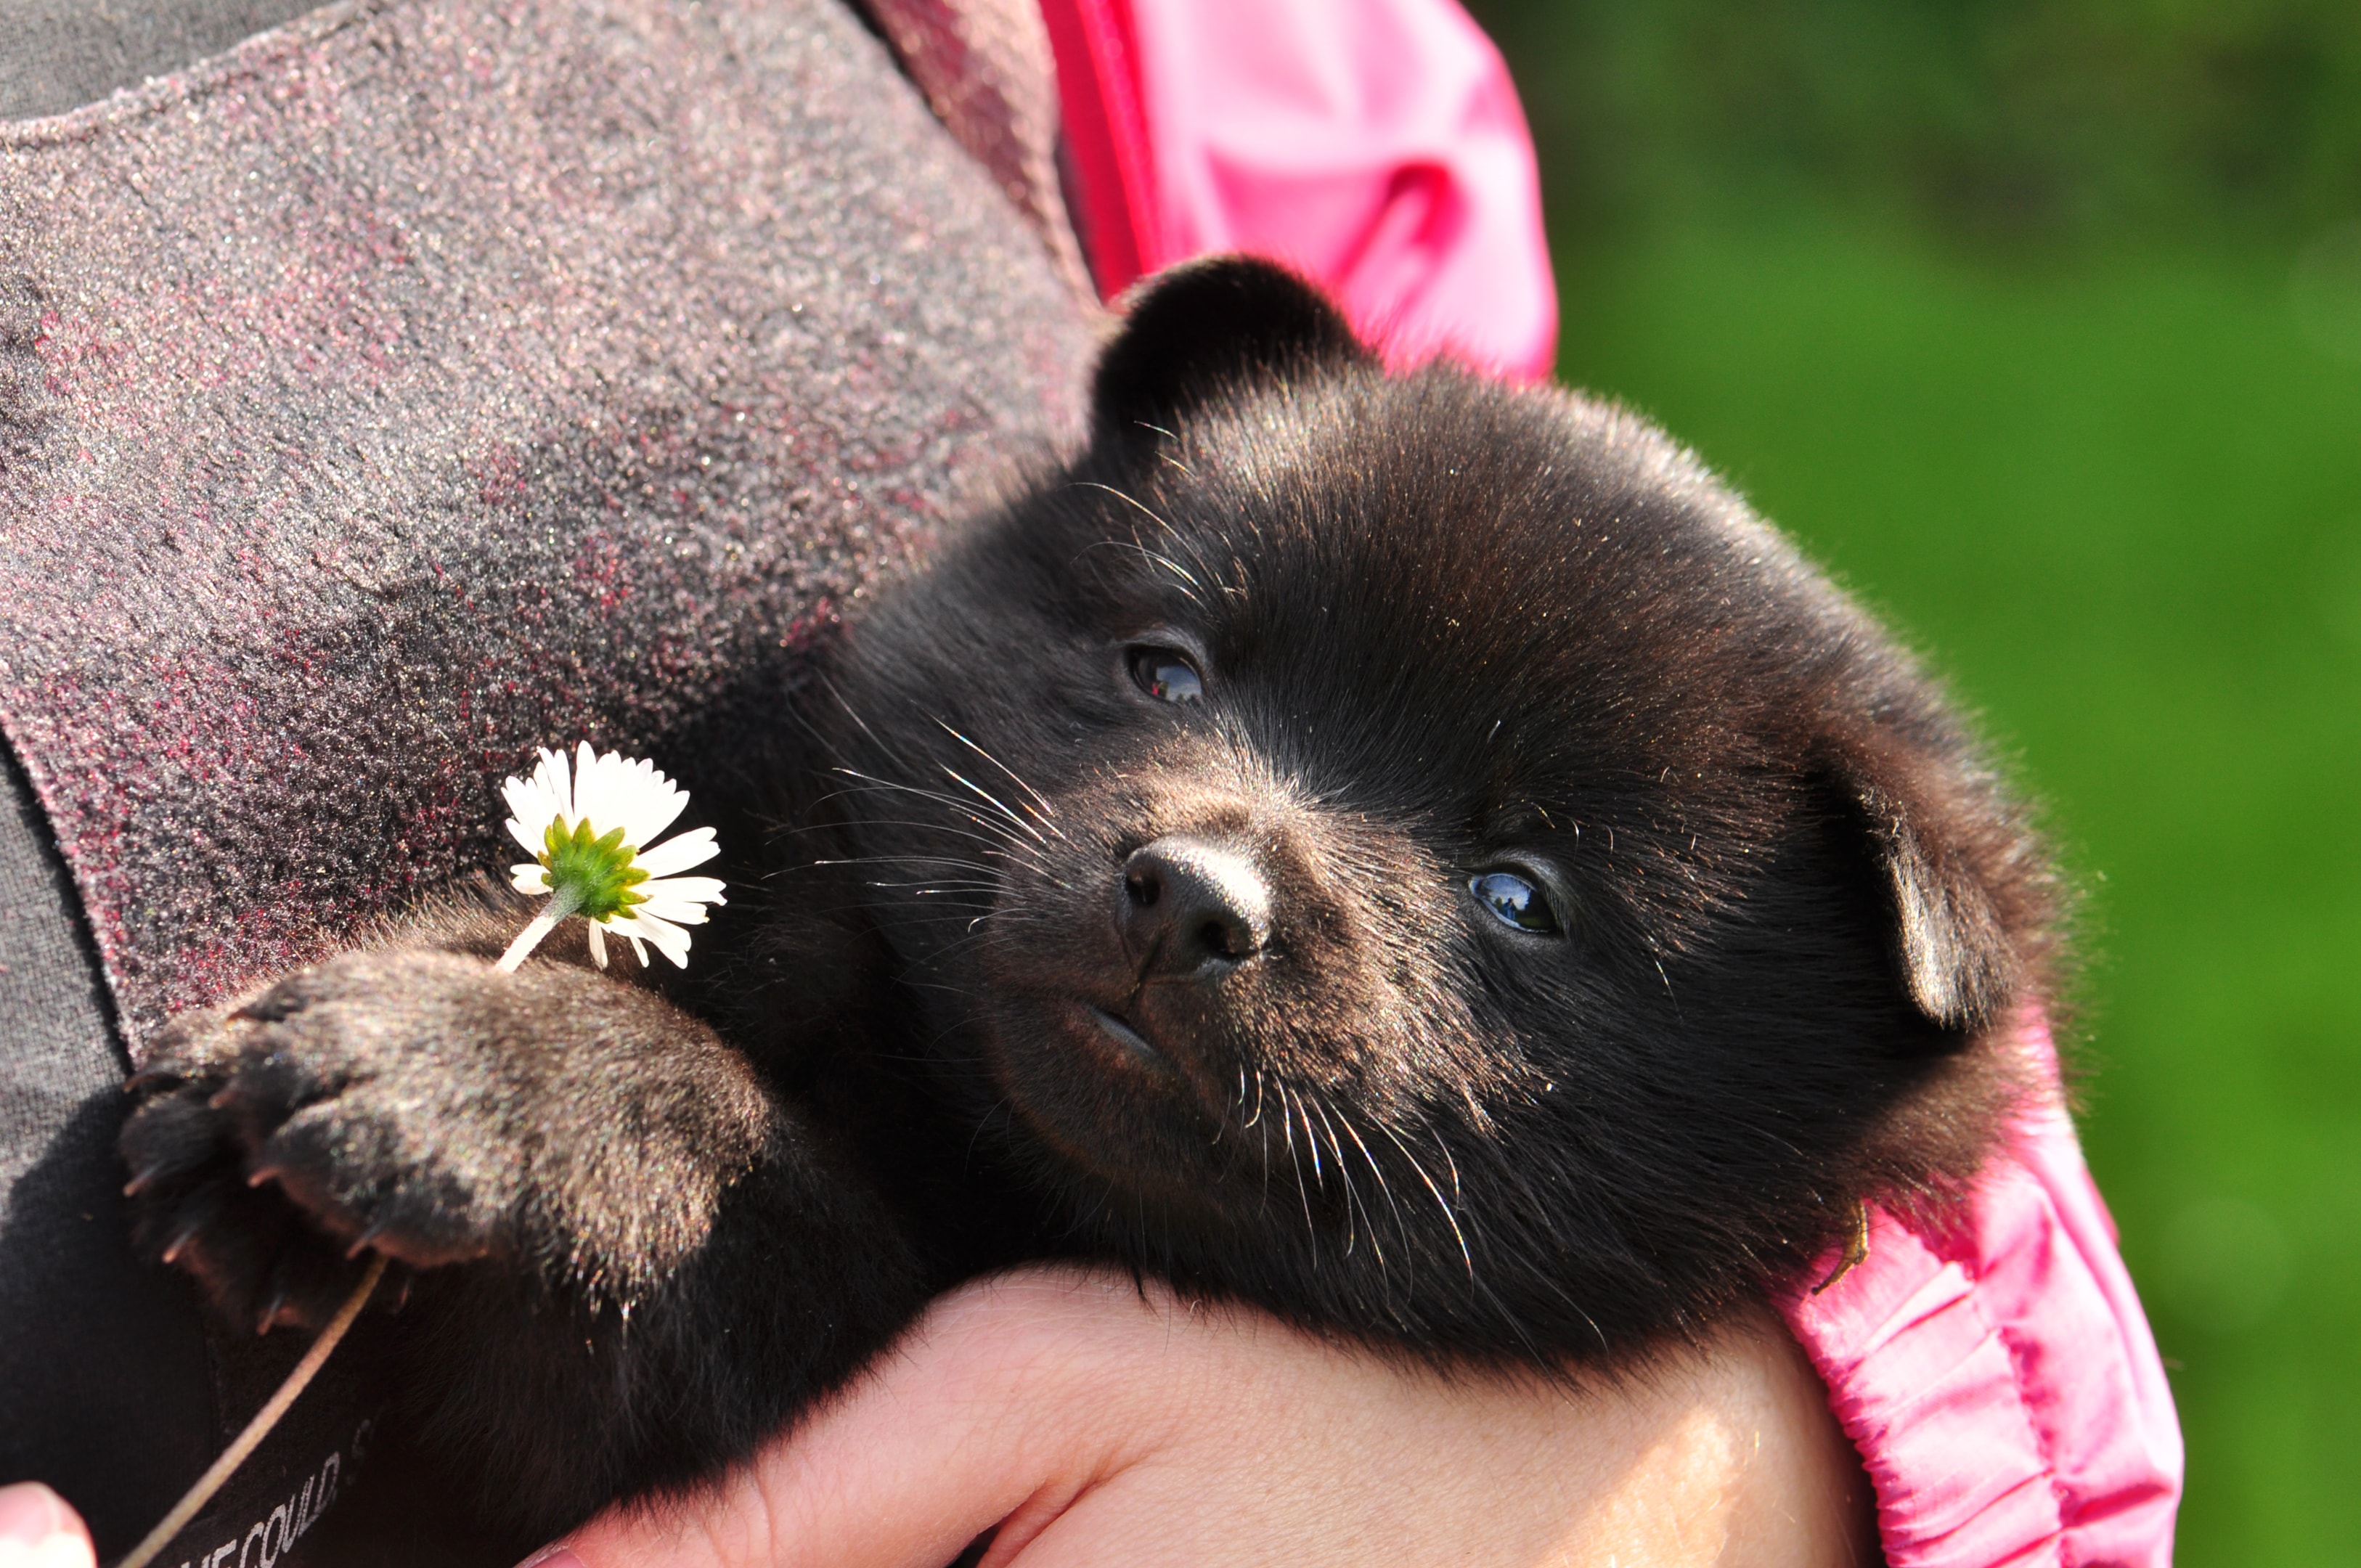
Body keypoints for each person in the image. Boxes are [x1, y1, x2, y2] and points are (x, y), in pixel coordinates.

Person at [0, 0, 2178, 1564]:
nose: (1209, 867)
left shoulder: (1220, 68)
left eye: (1518, 901)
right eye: (1164, 666)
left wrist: (1748, 1479)